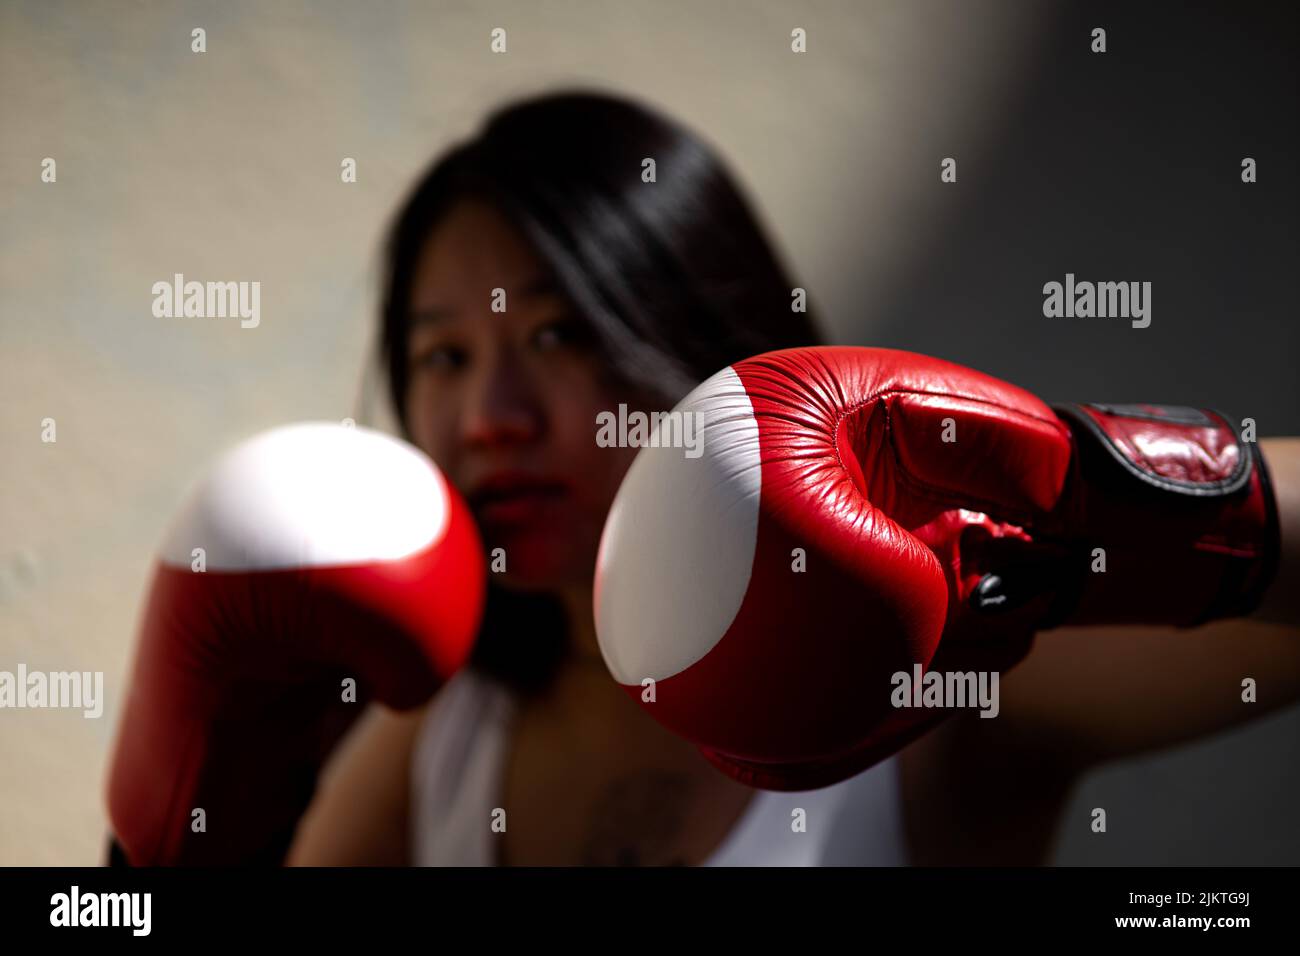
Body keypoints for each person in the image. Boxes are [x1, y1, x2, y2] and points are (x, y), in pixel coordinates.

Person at [282, 90, 1300, 866]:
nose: (489, 418)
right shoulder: (448, 720)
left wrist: (1076, 486)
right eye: (442, 356)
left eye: (556, 331)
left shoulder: (924, 649)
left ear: (694, 333)